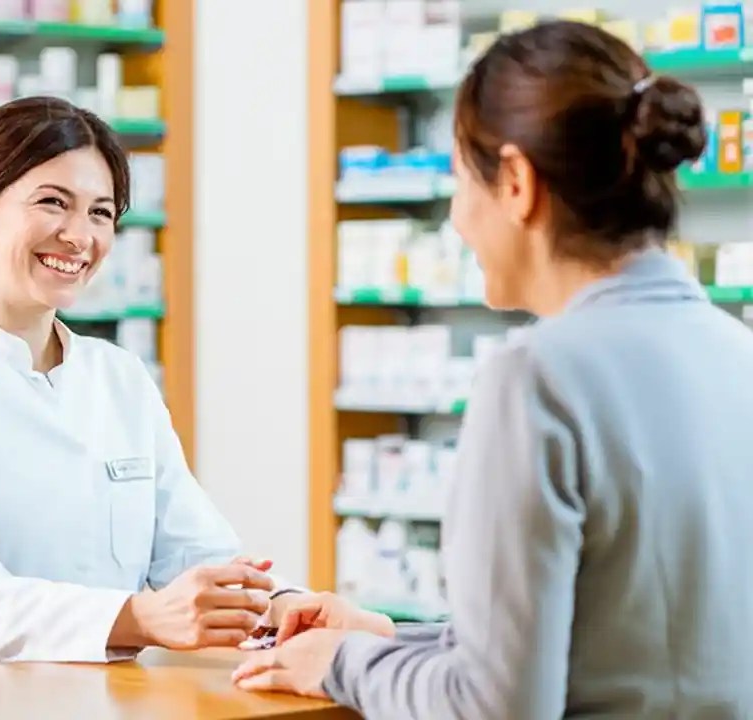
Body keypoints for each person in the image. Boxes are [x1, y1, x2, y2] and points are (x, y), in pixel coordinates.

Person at [232, 20, 753, 717]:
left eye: (459, 180)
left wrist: (342, 665)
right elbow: (612, 644)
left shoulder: (538, 379)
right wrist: (387, 639)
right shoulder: (735, 352)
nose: (455, 218)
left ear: (515, 182)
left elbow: (493, 707)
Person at [0, 96, 369, 673]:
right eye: (52, 202)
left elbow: (192, 550)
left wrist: (285, 607)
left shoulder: (119, 377)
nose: (78, 236)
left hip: (111, 699)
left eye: (100, 212)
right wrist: (136, 618)